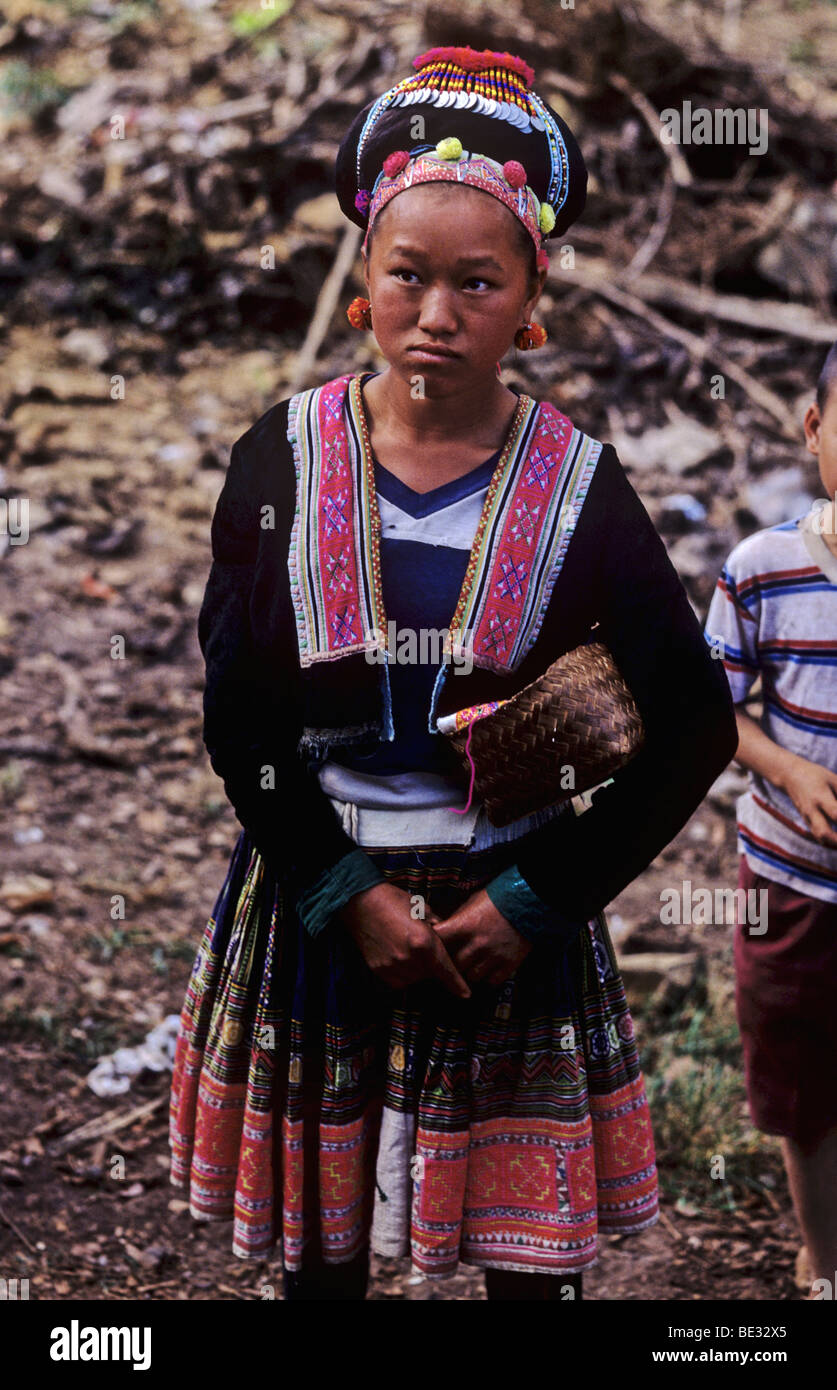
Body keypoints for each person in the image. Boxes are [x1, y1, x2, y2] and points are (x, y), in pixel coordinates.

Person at [169, 45, 738, 1301]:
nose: (438, 311)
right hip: (324, 917)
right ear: (364, 286)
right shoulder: (280, 461)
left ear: (533, 295)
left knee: (527, 1269)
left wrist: (536, 899)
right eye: (408, 275)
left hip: (505, 934)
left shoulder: (581, 495)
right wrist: (344, 892)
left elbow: (695, 723)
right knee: (322, 1264)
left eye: (478, 282)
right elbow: (241, 712)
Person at [704, 340, 837, 1295]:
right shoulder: (765, 569)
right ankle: (826, 1261)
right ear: (813, 430)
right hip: (793, 883)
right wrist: (786, 767)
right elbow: (708, 712)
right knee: (803, 1090)